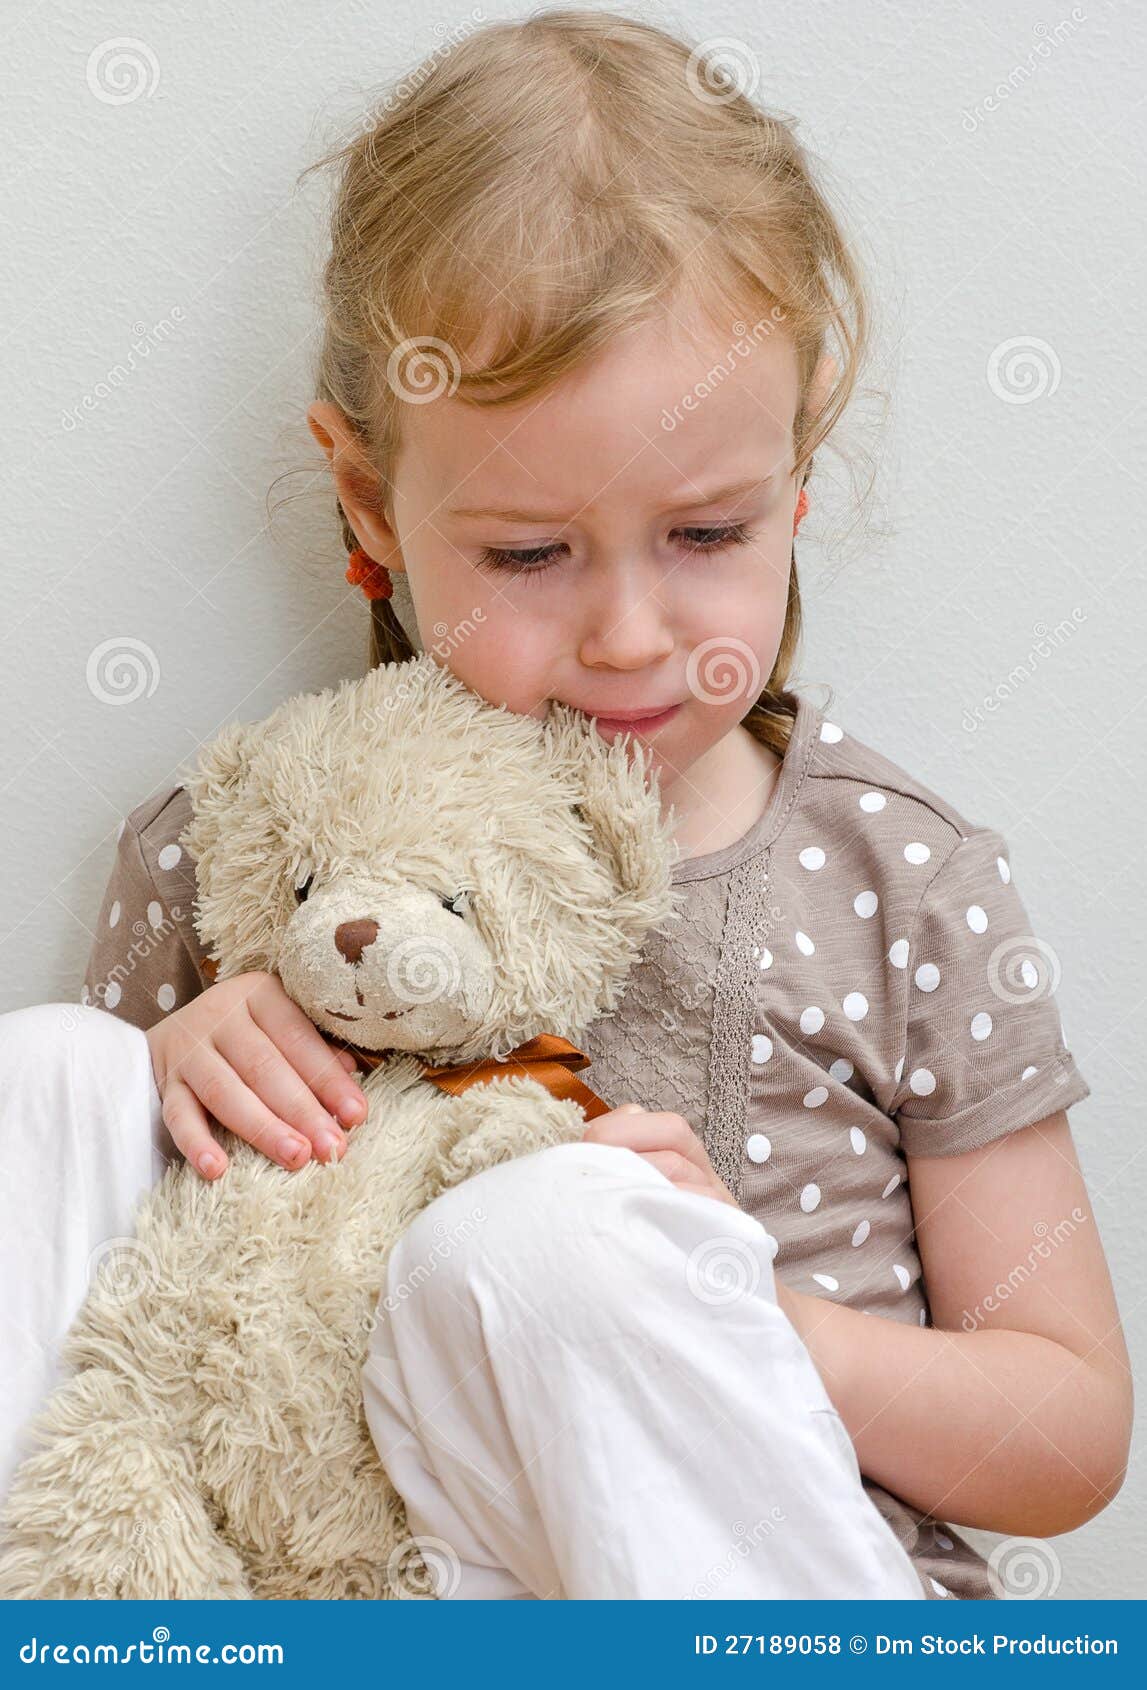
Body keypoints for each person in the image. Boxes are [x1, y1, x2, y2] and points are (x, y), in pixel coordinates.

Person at [1, 9, 1130, 1602]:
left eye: (708, 532)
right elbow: (133, 1298)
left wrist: (744, 1314)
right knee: (49, 1073)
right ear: (369, 501)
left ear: (798, 472)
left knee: (540, 1238)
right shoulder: (225, 860)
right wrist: (173, 1078)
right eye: (528, 555)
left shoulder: (893, 877)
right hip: (360, 1592)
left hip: (760, 1599)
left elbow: (1071, 1430)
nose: (628, 636)